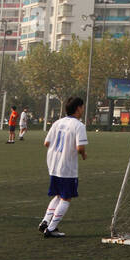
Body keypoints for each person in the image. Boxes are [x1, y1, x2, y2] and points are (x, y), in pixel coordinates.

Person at [39, 96, 88, 238]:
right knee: (66, 198)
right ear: (78, 108)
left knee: (58, 195)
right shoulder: (79, 126)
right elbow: (80, 147)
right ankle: (51, 228)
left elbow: (46, 143)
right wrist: (84, 154)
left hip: (53, 163)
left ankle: (45, 222)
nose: (83, 109)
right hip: (66, 166)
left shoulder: (57, 123)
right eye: (82, 107)